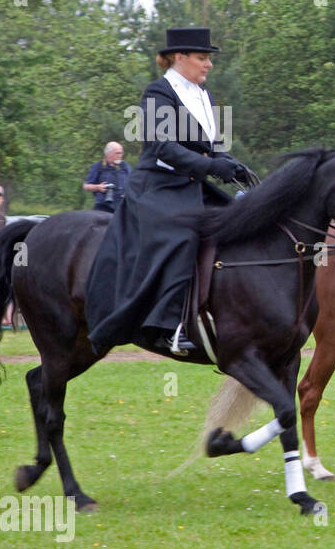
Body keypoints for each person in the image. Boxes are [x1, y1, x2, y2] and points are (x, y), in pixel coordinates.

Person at [86, 27, 251, 356]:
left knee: (237, 222)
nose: (209, 65)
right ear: (180, 57)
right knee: (184, 235)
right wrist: (209, 167)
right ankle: (169, 326)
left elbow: (210, 147)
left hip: (189, 184)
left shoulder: (205, 96)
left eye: (209, 59)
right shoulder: (158, 93)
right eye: (203, 58)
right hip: (156, 185)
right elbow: (162, 146)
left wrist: (230, 164)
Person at [82, 142, 132, 213]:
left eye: (121, 153)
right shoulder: (98, 166)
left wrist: (129, 194)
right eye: (117, 153)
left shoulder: (124, 166)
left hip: (122, 207)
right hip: (103, 208)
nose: (120, 156)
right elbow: (86, 186)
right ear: (108, 154)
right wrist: (98, 187)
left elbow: (133, 184)